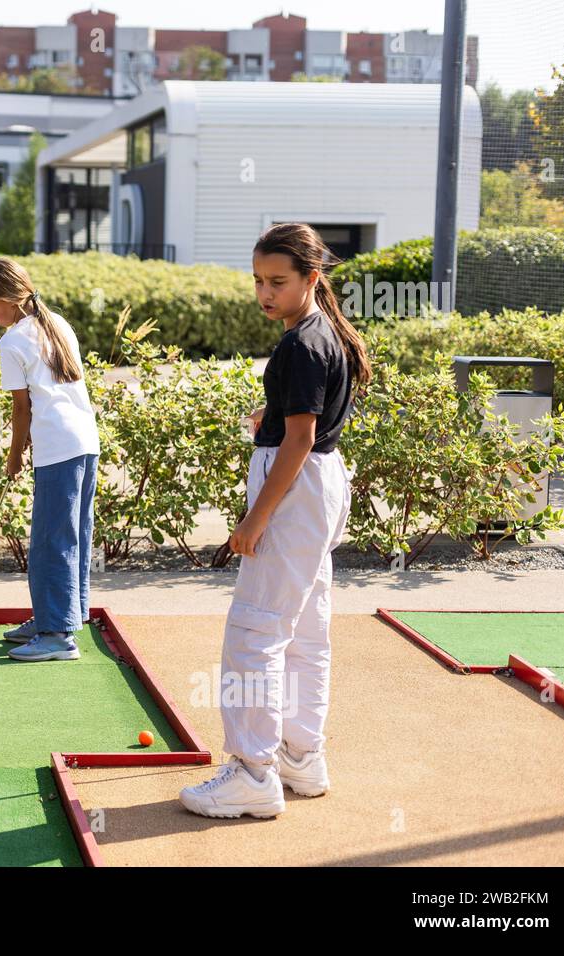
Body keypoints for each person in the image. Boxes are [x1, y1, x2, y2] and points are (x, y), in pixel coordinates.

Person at [179, 223, 370, 819]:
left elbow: (300, 439)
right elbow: (307, 423)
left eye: (278, 282)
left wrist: (253, 519)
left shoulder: (300, 344)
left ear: (313, 277)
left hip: (295, 491)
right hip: (318, 485)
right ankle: (300, 758)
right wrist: (273, 417)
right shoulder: (324, 332)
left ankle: (253, 773)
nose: (265, 292)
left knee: (254, 631)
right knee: (306, 628)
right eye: (259, 280)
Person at [0, 257, 101, 662]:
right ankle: (59, 617)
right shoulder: (57, 323)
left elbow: (21, 410)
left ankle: (56, 636)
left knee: (50, 542)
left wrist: (14, 457)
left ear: (11, 298)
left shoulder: (10, 343)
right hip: (84, 441)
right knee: (73, 534)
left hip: (58, 449)